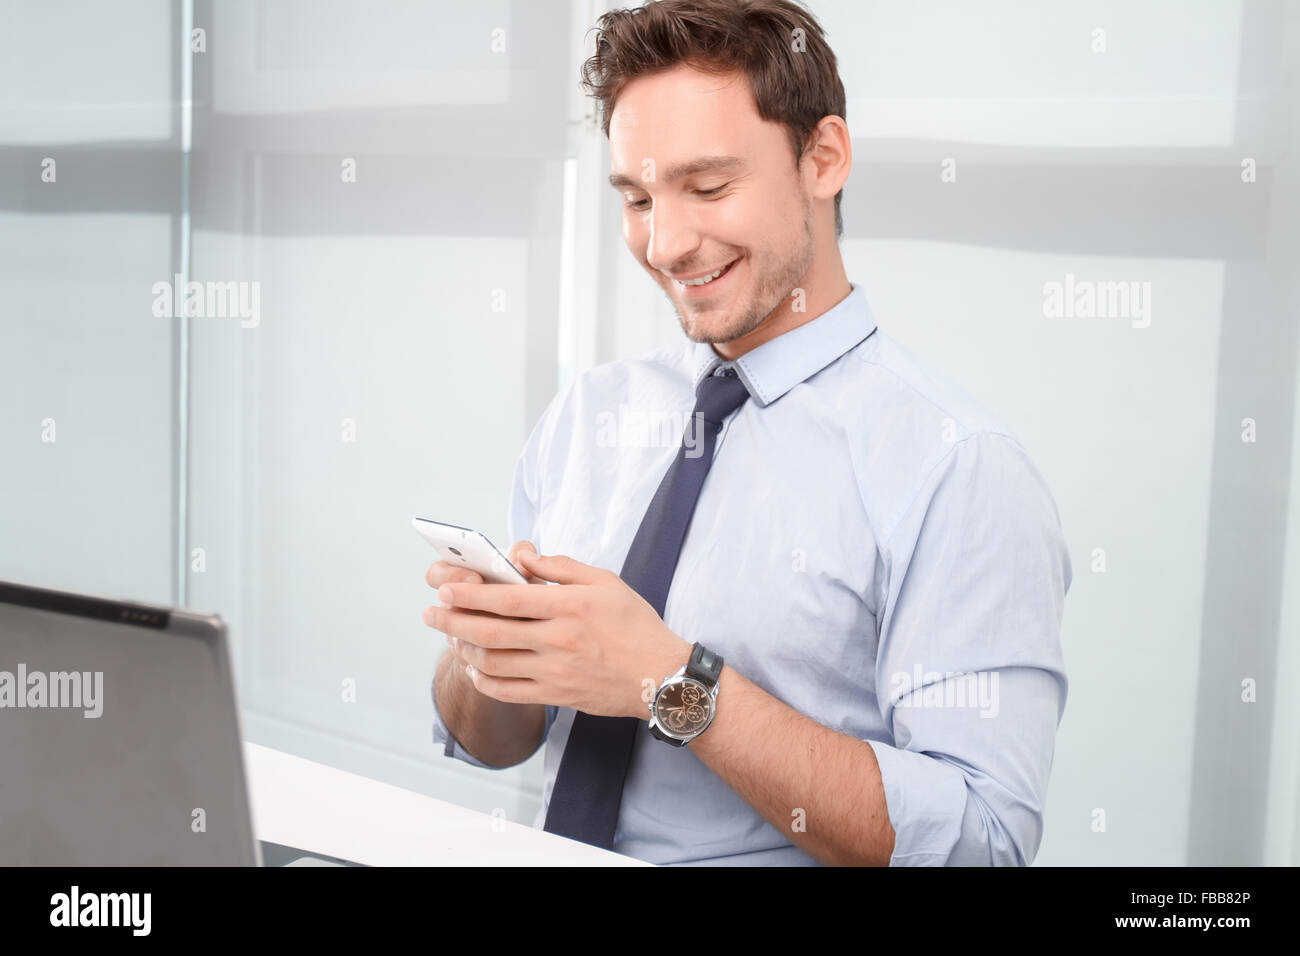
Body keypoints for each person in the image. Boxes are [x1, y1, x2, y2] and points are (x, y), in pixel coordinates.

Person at [423, 0, 1070, 866]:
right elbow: (495, 742)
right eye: (638, 197)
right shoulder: (589, 416)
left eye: (708, 187)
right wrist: (484, 658)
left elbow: (983, 845)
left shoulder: (958, 469)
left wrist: (671, 682)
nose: (666, 243)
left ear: (824, 158)